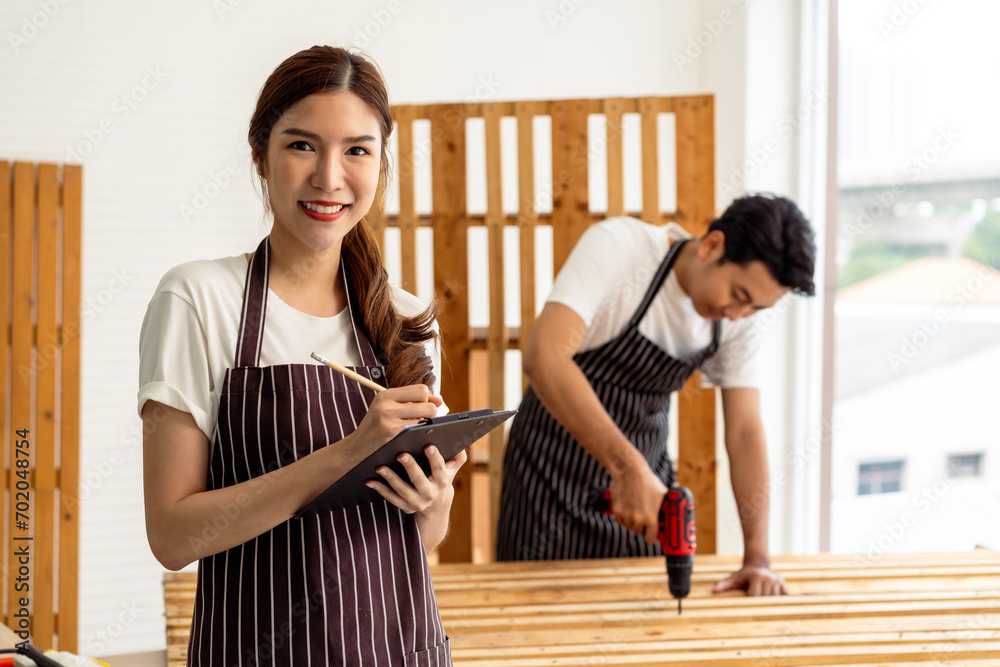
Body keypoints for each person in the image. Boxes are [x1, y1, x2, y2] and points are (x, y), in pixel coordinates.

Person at [138, 46, 461, 665]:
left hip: (402, 649)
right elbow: (173, 537)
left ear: (381, 164)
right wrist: (350, 452)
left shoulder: (407, 319)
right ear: (261, 154)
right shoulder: (200, 299)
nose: (329, 178)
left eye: (357, 150)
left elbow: (418, 544)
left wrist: (434, 499)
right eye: (302, 145)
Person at [495, 194, 816, 597]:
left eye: (756, 307)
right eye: (737, 294)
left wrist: (757, 557)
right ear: (712, 245)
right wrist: (628, 468)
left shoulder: (738, 319)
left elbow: (746, 432)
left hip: (643, 501)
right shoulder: (622, 248)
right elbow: (546, 356)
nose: (738, 314)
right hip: (548, 482)